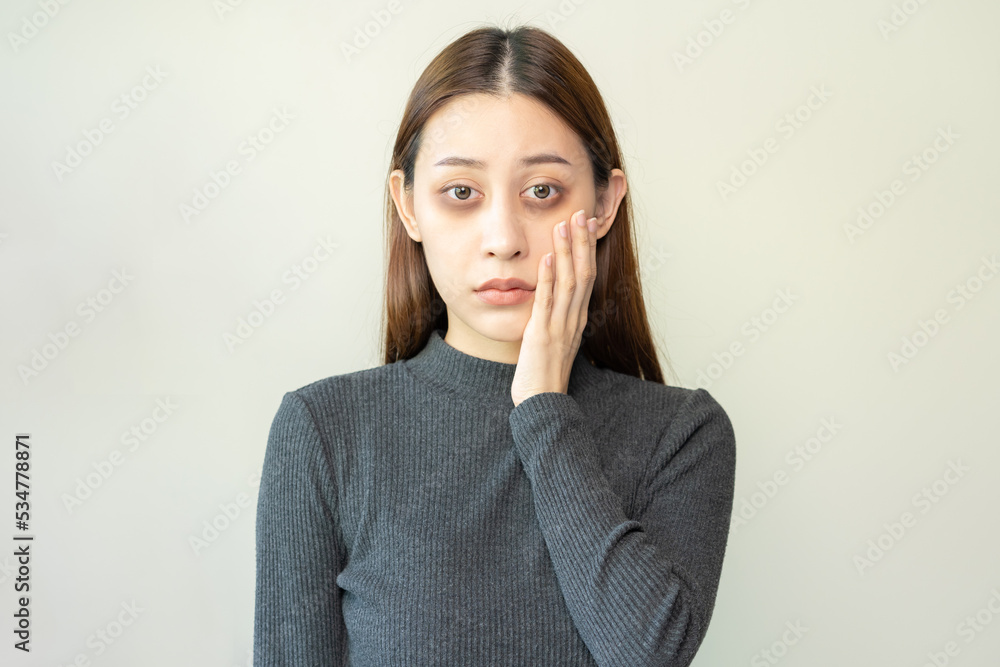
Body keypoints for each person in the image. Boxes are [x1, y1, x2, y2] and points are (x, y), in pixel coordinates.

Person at [253, 23, 736, 667]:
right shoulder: (323, 430)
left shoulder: (681, 433)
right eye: (461, 193)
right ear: (408, 206)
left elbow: (648, 655)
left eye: (542, 192)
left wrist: (543, 406)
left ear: (604, 204)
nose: (503, 239)